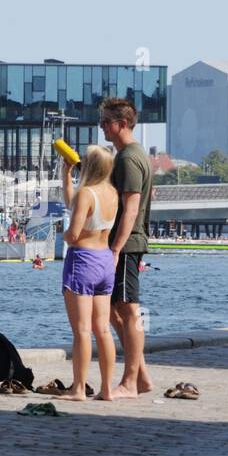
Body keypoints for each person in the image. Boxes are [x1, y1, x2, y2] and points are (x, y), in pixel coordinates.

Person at [100, 97, 154, 399]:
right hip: (125, 242)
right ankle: (142, 376)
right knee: (112, 308)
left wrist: (116, 248)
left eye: (106, 122)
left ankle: (130, 382)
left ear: (122, 124)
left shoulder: (128, 158)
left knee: (129, 309)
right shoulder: (130, 155)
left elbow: (131, 206)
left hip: (127, 242)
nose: (102, 128)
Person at [58, 145, 120, 401]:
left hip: (83, 260)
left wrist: (64, 235)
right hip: (105, 260)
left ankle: (79, 388)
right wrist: (66, 177)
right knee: (102, 329)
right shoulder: (113, 193)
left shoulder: (86, 192)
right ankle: (107, 389)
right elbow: (76, 204)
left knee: (82, 330)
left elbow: (73, 234)